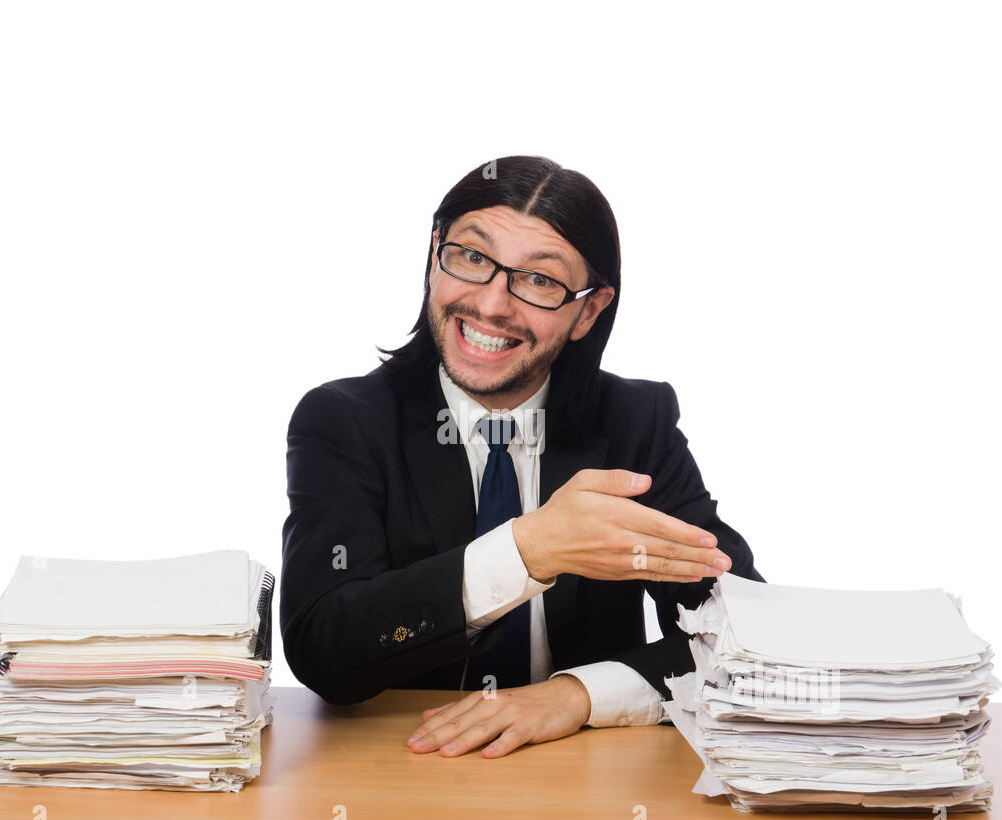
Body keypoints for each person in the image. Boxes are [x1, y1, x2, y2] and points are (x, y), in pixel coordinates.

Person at [280, 155, 763, 759]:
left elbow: (742, 631)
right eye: (473, 258)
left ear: (587, 310)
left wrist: (576, 695)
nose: (491, 305)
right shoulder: (345, 421)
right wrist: (529, 550)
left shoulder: (634, 423)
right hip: (399, 762)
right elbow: (324, 651)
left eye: (539, 280)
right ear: (435, 255)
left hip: (581, 777)